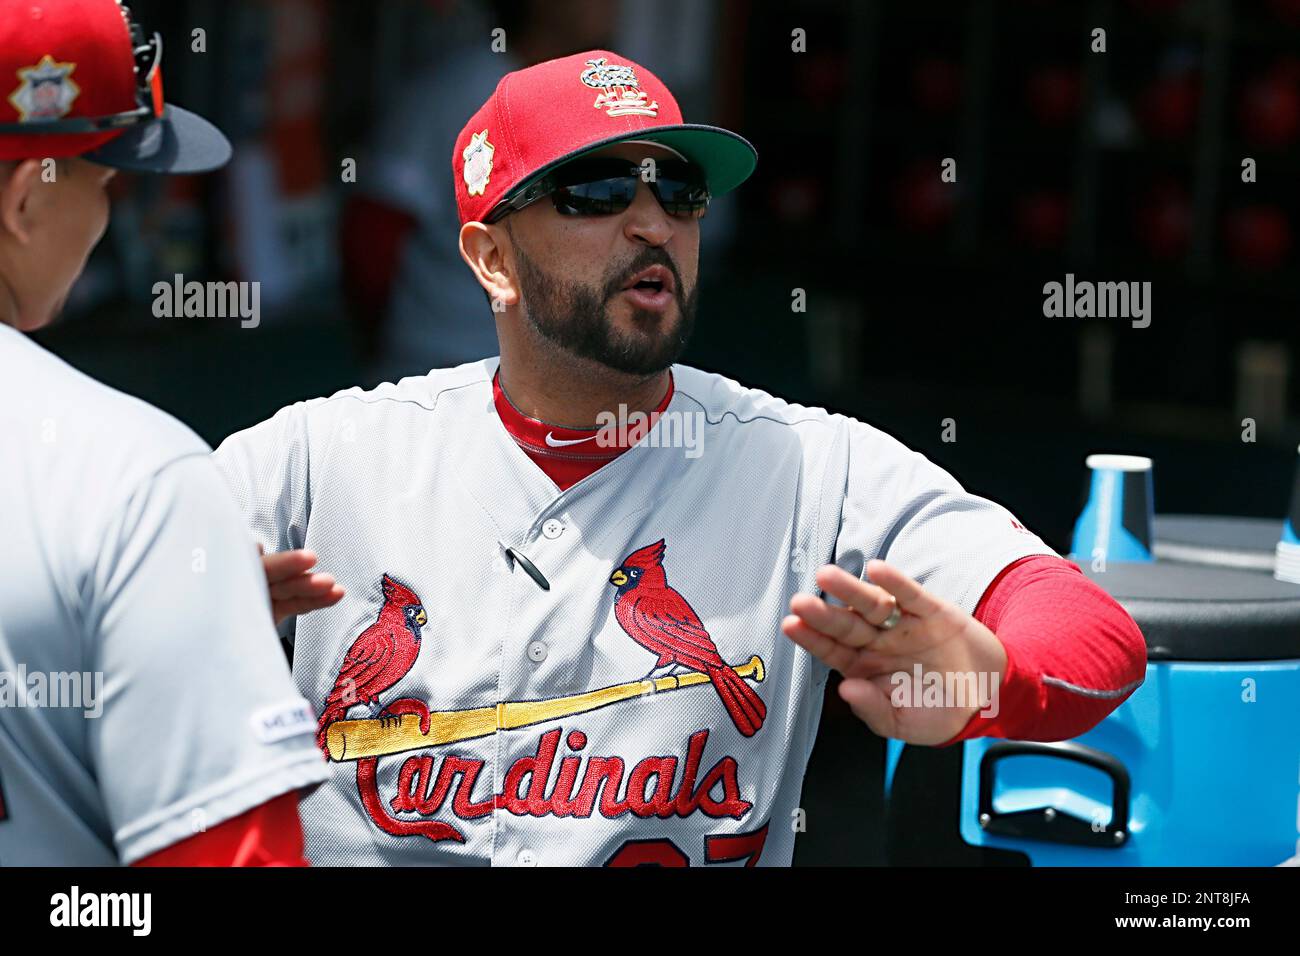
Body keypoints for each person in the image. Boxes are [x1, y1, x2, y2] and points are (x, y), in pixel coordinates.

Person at [217, 49, 1147, 866]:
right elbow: (84, 616)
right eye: (596, 191)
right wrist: (166, 623)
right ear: (491, 259)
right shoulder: (319, 459)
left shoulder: (806, 467)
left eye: (679, 191)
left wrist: (991, 681)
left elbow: (1095, 636)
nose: (653, 223)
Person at [0, 0, 327, 866]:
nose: (108, 214)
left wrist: (140, 626)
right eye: (106, 182)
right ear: (27, 197)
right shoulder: (130, 477)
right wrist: (164, 611)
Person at [342, 0, 617, 383]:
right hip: (436, 366)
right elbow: (373, 233)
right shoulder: (459, 89)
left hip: (543, 378)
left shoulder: (604, 101)